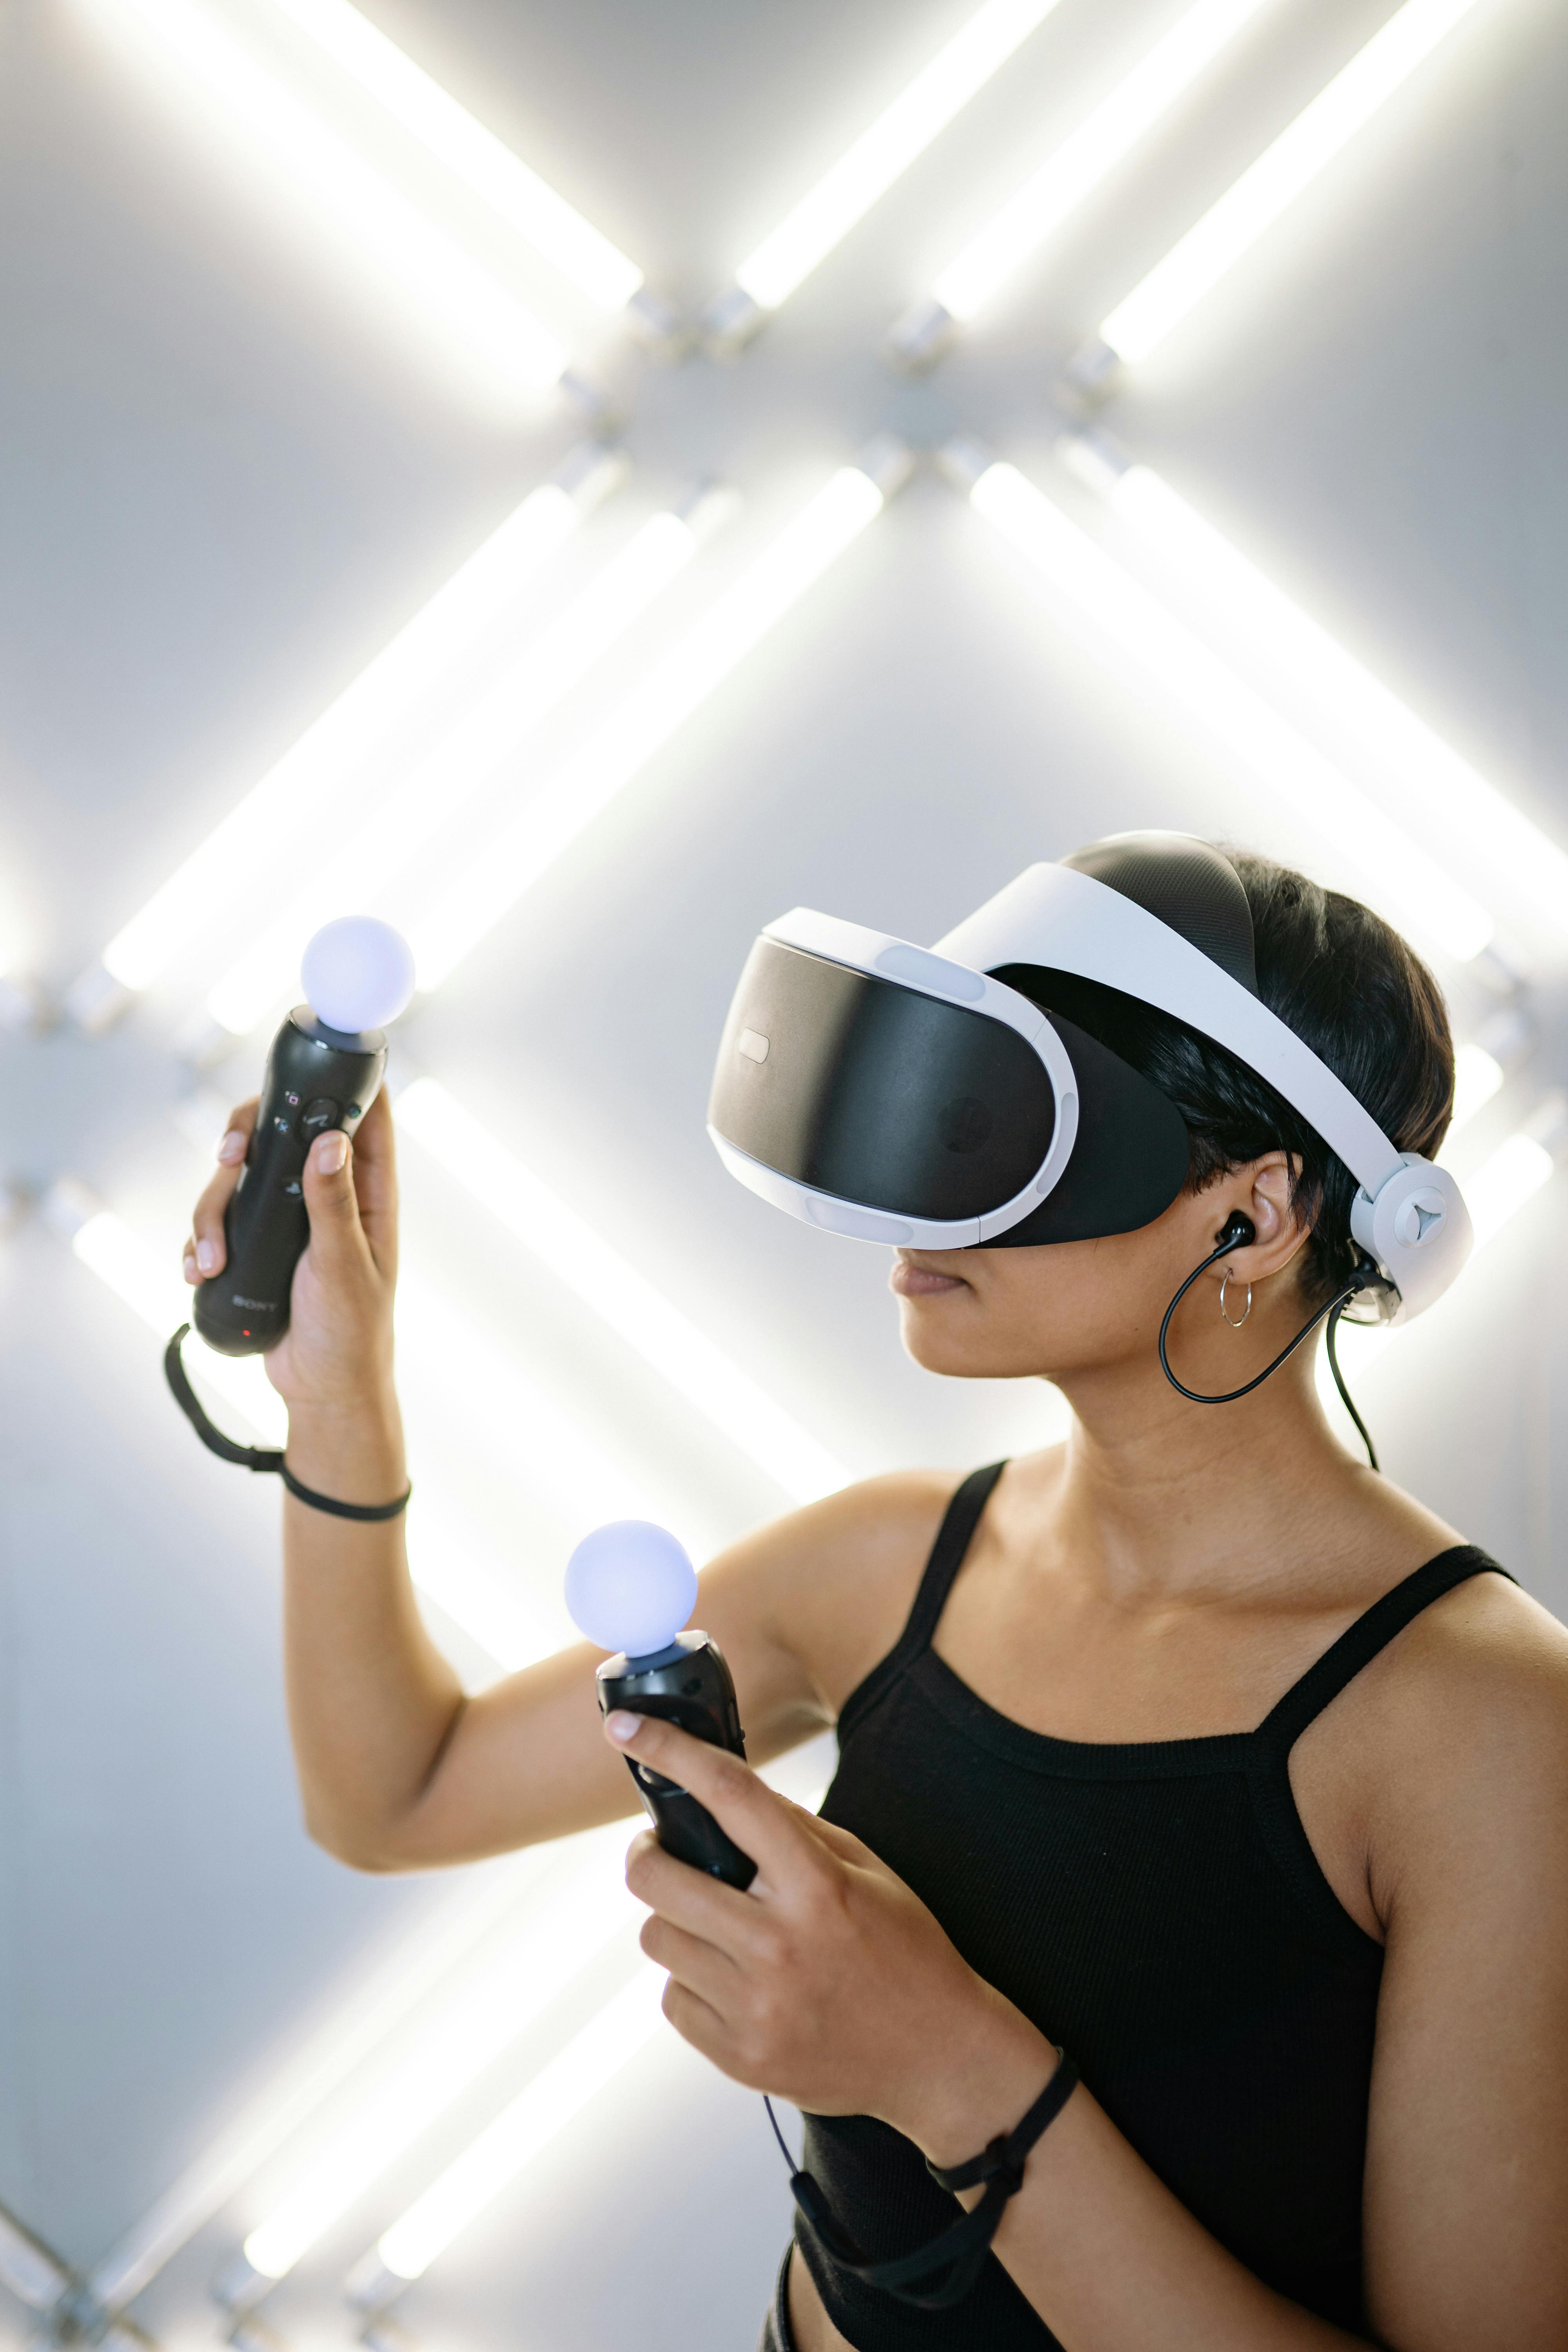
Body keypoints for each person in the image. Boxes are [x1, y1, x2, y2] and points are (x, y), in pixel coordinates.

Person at [184, 848, 1568, 2352]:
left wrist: (949, 2066)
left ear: (1255, 1215)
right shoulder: (894, 1562)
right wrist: (339, 1398)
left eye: (1000, 1133)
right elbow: (400, 1793)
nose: (917, 1190)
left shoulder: (1480, 1727)